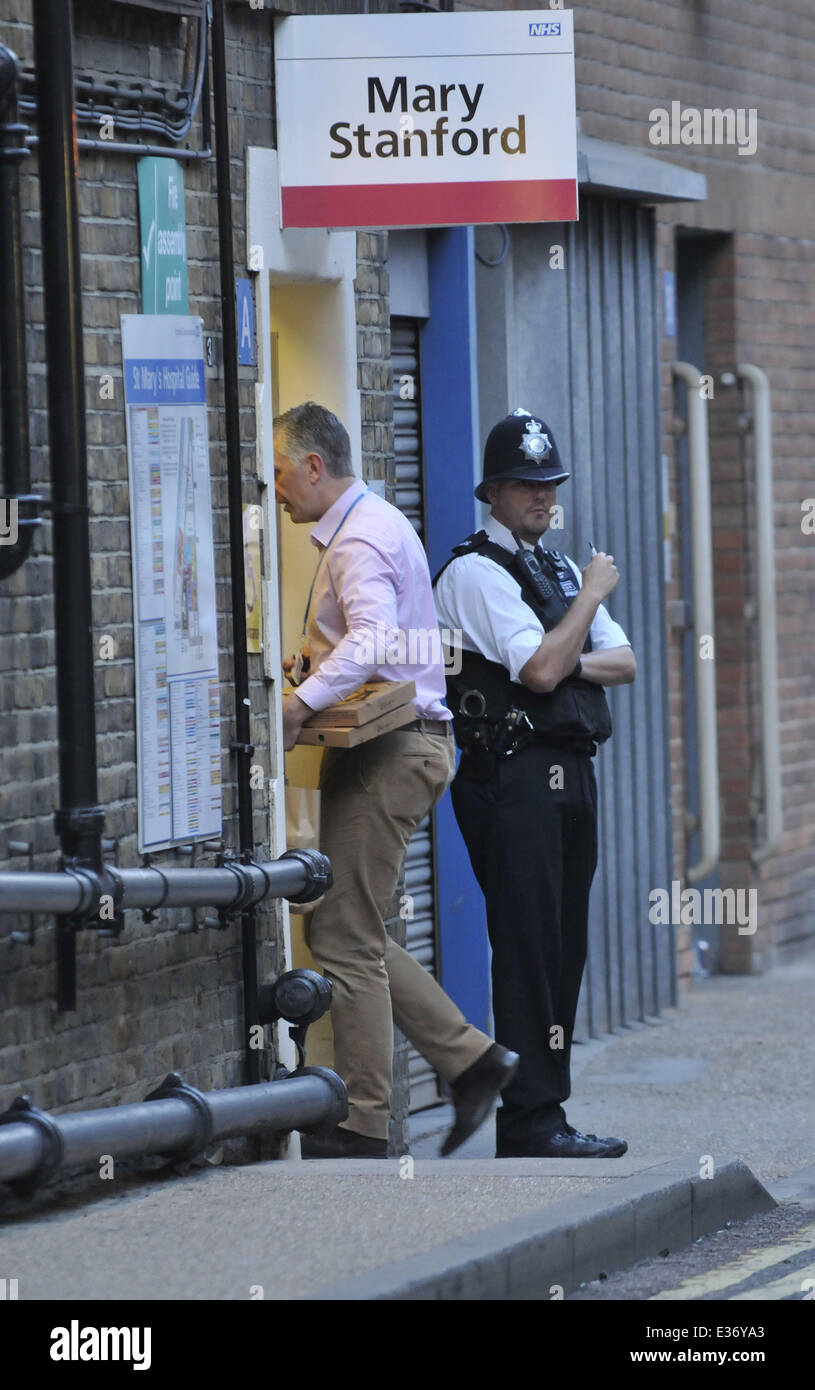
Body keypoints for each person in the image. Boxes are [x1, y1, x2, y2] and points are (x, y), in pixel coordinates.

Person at [274, 401, 519, 1159]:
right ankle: (472, 1061)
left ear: (315, 467)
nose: (275, 489)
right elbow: (375, 639)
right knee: (364, 929)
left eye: (281, 474)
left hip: (389, 753)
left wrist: (297, 704)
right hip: (403, 745)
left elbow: (376, 637)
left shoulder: (357, 540)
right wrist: (317, 665)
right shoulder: (376, 522)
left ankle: (363, 1124)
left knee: (341, 935)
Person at [433, 408, 636, 1158]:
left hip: (569, 771)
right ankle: (528, 1125)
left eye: (549, 485)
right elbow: (540, 670)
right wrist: (589, 599)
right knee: (526, 946)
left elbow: (624, 663)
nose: (541, 499)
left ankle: (547, 1113)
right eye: (525, 486)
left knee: (563, 948)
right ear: (492, 491)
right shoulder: (476, 573)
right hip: (510, 775)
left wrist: (569, 637)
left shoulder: (552, 569)